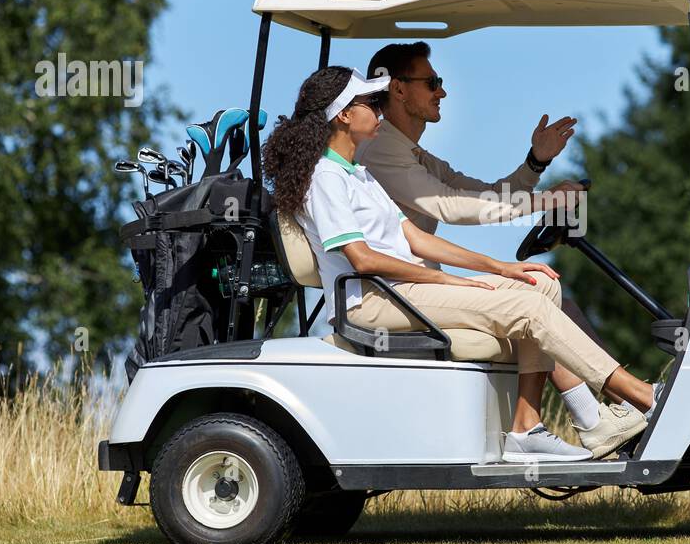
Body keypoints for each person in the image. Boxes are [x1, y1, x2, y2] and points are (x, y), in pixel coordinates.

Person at [262, 66, 657, 463]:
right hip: (371, 301)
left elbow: (417, 240)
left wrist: (499, 267)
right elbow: (362, 259)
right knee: (527, 307)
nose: (377, 110)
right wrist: (452, 281)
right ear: (343, 115)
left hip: (403, 293)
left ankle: (531, 428)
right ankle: (640, 397)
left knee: (540, 286)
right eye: (369, 102)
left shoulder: (360, 175)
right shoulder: (326, 178)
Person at [355, 41, 646, 457]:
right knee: (532, 302)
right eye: (433, 82)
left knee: (541, 286)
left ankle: (555, 424)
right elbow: (450, 207)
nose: (443, 92)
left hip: (425, 288)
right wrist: (545, 202)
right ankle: (632, 400)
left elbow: (480, 193)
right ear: (398, 90)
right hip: (402, 292)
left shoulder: (411, 152)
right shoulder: (382, 149)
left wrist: (535, 164)